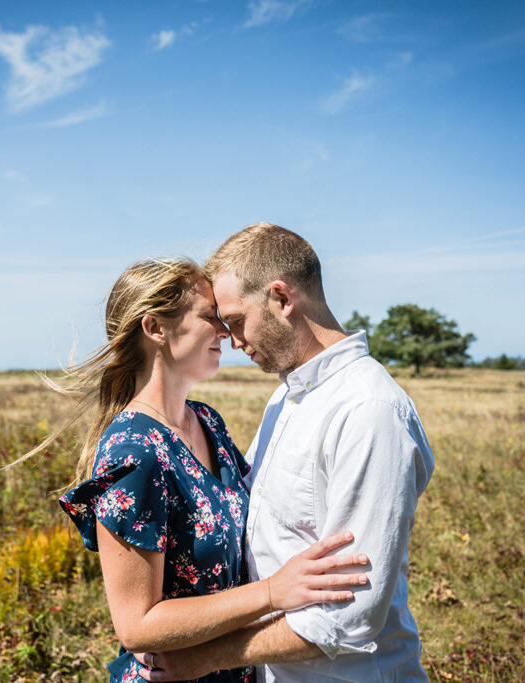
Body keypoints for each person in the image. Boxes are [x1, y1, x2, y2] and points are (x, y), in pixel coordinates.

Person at [47, 257, 371, 682]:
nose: (226, 333)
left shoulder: (208, 422)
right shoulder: (134, 452)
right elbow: (136, 625)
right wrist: (272, 593)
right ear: (155, 329)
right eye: (210, 318)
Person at [137, 225, 435, 682]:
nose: (232, 340)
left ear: (281, 298)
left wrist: (209, 656)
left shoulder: (368, 410)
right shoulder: (288, 396)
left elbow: (351, 614)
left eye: (235, 320)